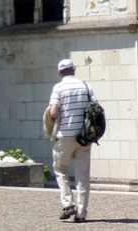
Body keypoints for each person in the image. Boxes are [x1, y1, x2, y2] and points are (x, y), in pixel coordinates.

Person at [48, 58, 95, 223]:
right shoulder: (86, 86)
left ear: (60, 72)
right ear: (73, 69)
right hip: (84, 136)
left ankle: (68, 204)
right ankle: (81, 213)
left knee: (60, 169)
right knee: (83, 175)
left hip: (65, 135)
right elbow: (95, 107)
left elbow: (53, 113)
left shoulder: (58, 87)